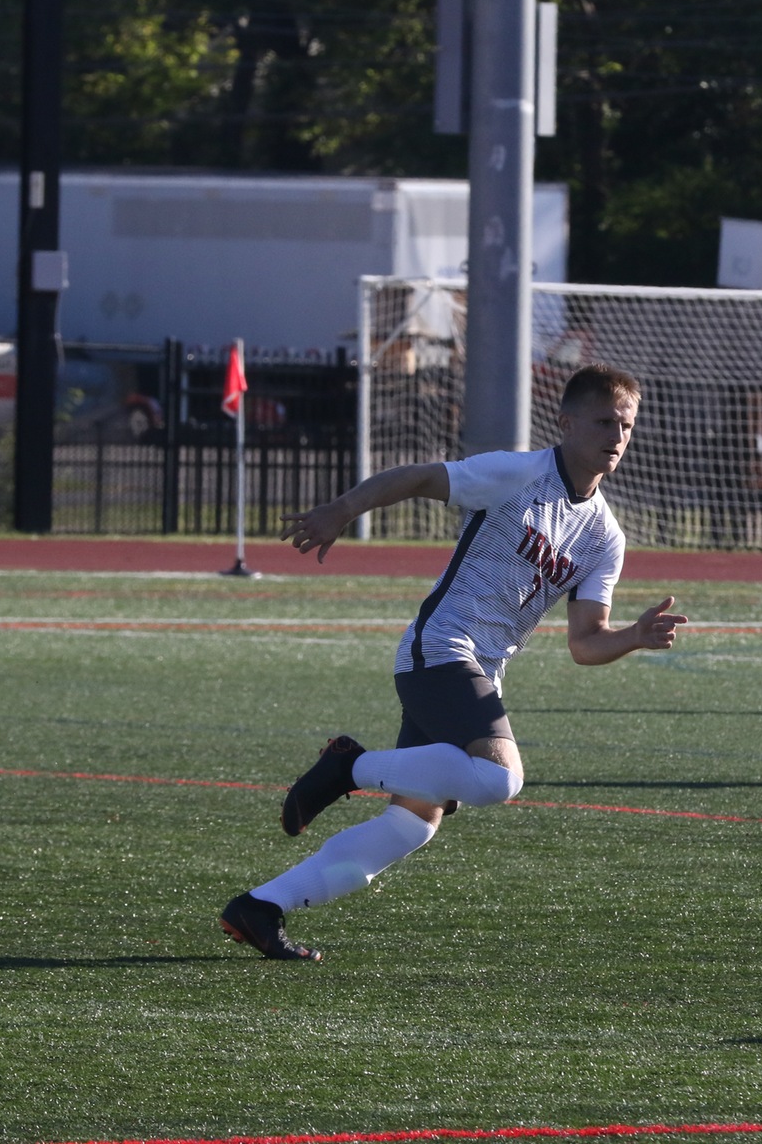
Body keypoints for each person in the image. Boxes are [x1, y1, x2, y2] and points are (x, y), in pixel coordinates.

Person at [219, 364, 689, 960]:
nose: (617, 435)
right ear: (566, 423)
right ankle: (351, 766)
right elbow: (416, 478)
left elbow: (584, 643)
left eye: (626, 425)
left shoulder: (604, 537)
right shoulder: (517, 474)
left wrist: (633, 636)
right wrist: (341, 510)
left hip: (480, 671)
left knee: (410, 825)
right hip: (440, 649)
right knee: (500, 778)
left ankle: (261, 907)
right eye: (603, 421)